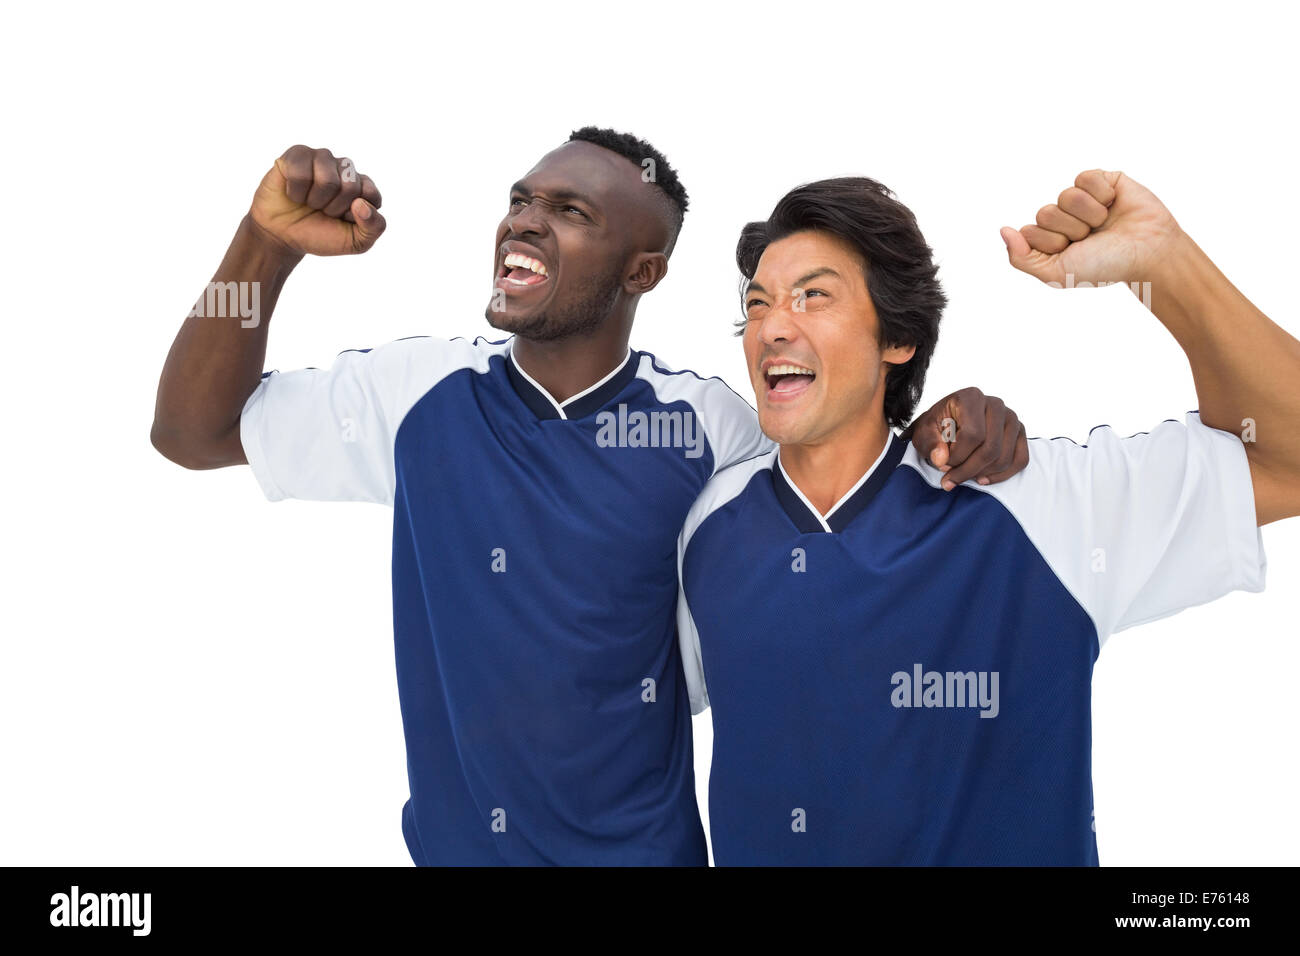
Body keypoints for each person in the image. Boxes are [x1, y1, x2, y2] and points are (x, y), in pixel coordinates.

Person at [150, 129, 1026, 865]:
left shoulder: (712, 429)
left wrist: (949, 425)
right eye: (523, 200)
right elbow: (190, 433)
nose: (525, 223)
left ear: (644, 273)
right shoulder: (417, 397)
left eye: (570, 212)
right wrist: (265, 245)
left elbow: (849, 476)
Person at [676, 169, 1294, 865]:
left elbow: (1288, 460)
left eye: (813, 296)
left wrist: (1166, 264)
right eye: (757, 304)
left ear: (898, 339)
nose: (771, 327)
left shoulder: (1035, 503)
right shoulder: (701, 528)